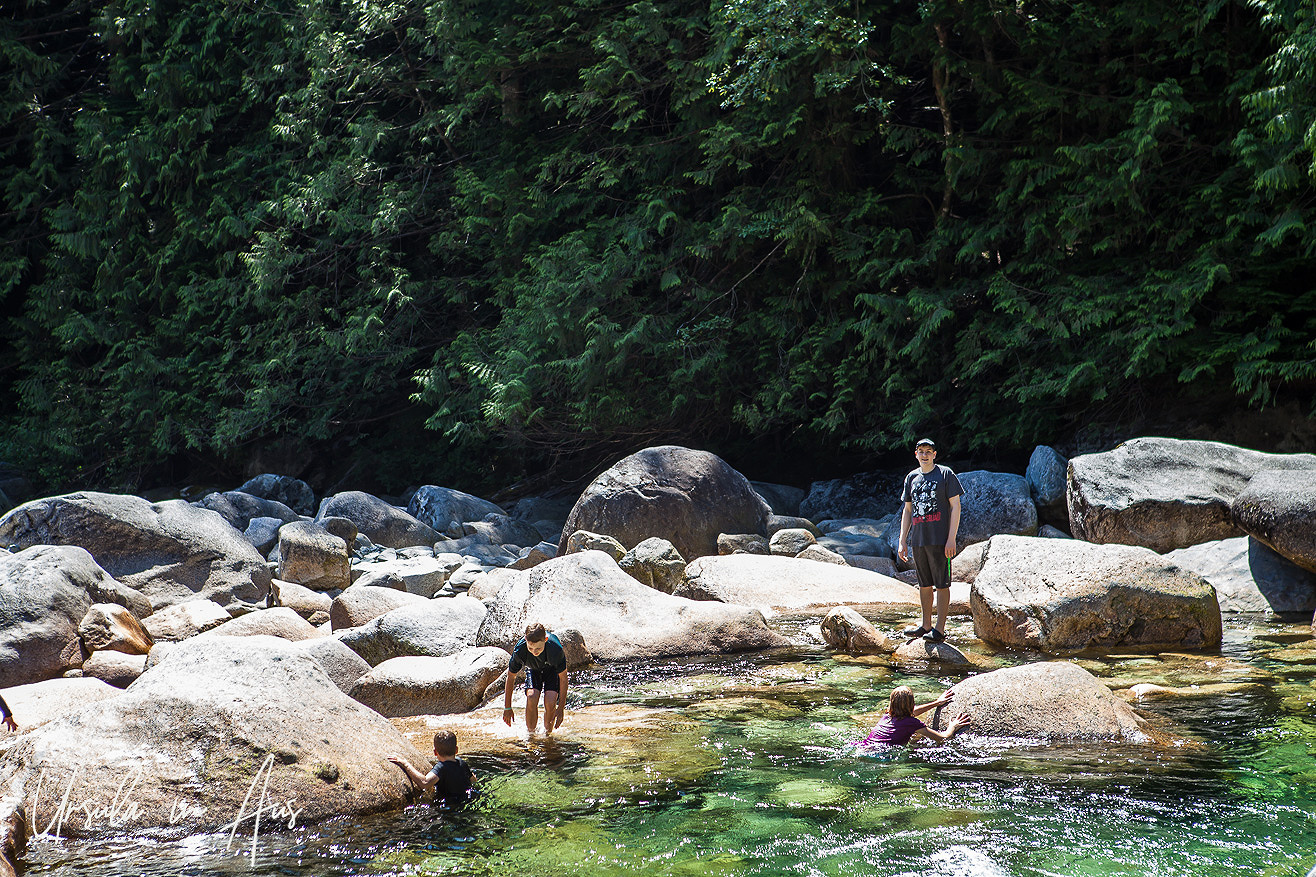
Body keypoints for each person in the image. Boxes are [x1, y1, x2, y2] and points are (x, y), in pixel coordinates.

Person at [897, 438, 963, 643]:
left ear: (935, 454)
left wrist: (951, 538)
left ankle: (940, 629)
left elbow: (956, 506)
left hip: (940, 539)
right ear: (915, 454)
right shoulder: (911, 478)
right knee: (924, 584)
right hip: (918, 539)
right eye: (921, 451)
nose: (924, 454)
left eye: (928, 451)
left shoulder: (945, 474)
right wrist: (902, 540)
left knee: (942, 584)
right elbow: (907, 511)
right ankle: (926, 625)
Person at [502, 622, 569, 735]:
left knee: (550, 700)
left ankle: (548, 734)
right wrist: (507, 708)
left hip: (551, 670)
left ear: (546, 639)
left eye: (538, 648)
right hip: (533, 669)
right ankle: (531, 735)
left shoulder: (555, 649)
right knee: (532, 696)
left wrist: (561, 708)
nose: (534, 652)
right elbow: (511, 676)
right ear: (525, 640)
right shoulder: (520, 650)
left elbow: (563, 678)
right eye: (531, 648)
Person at [388, 730, 478, 809]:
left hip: (448, 807)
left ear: (435, 752)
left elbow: (424, 783)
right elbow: (473, 780)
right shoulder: (462, 763)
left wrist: (405, 764)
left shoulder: (441, 767)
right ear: (456, 750)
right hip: (466, 802)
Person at [857, 686, 970, 748]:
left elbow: (912, 712)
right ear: (911, 704)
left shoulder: (887, 716)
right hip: (880, 754)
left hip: (864, 747)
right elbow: (943, 738)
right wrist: (953, 727)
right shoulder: (912, 723)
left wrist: (936, 703)